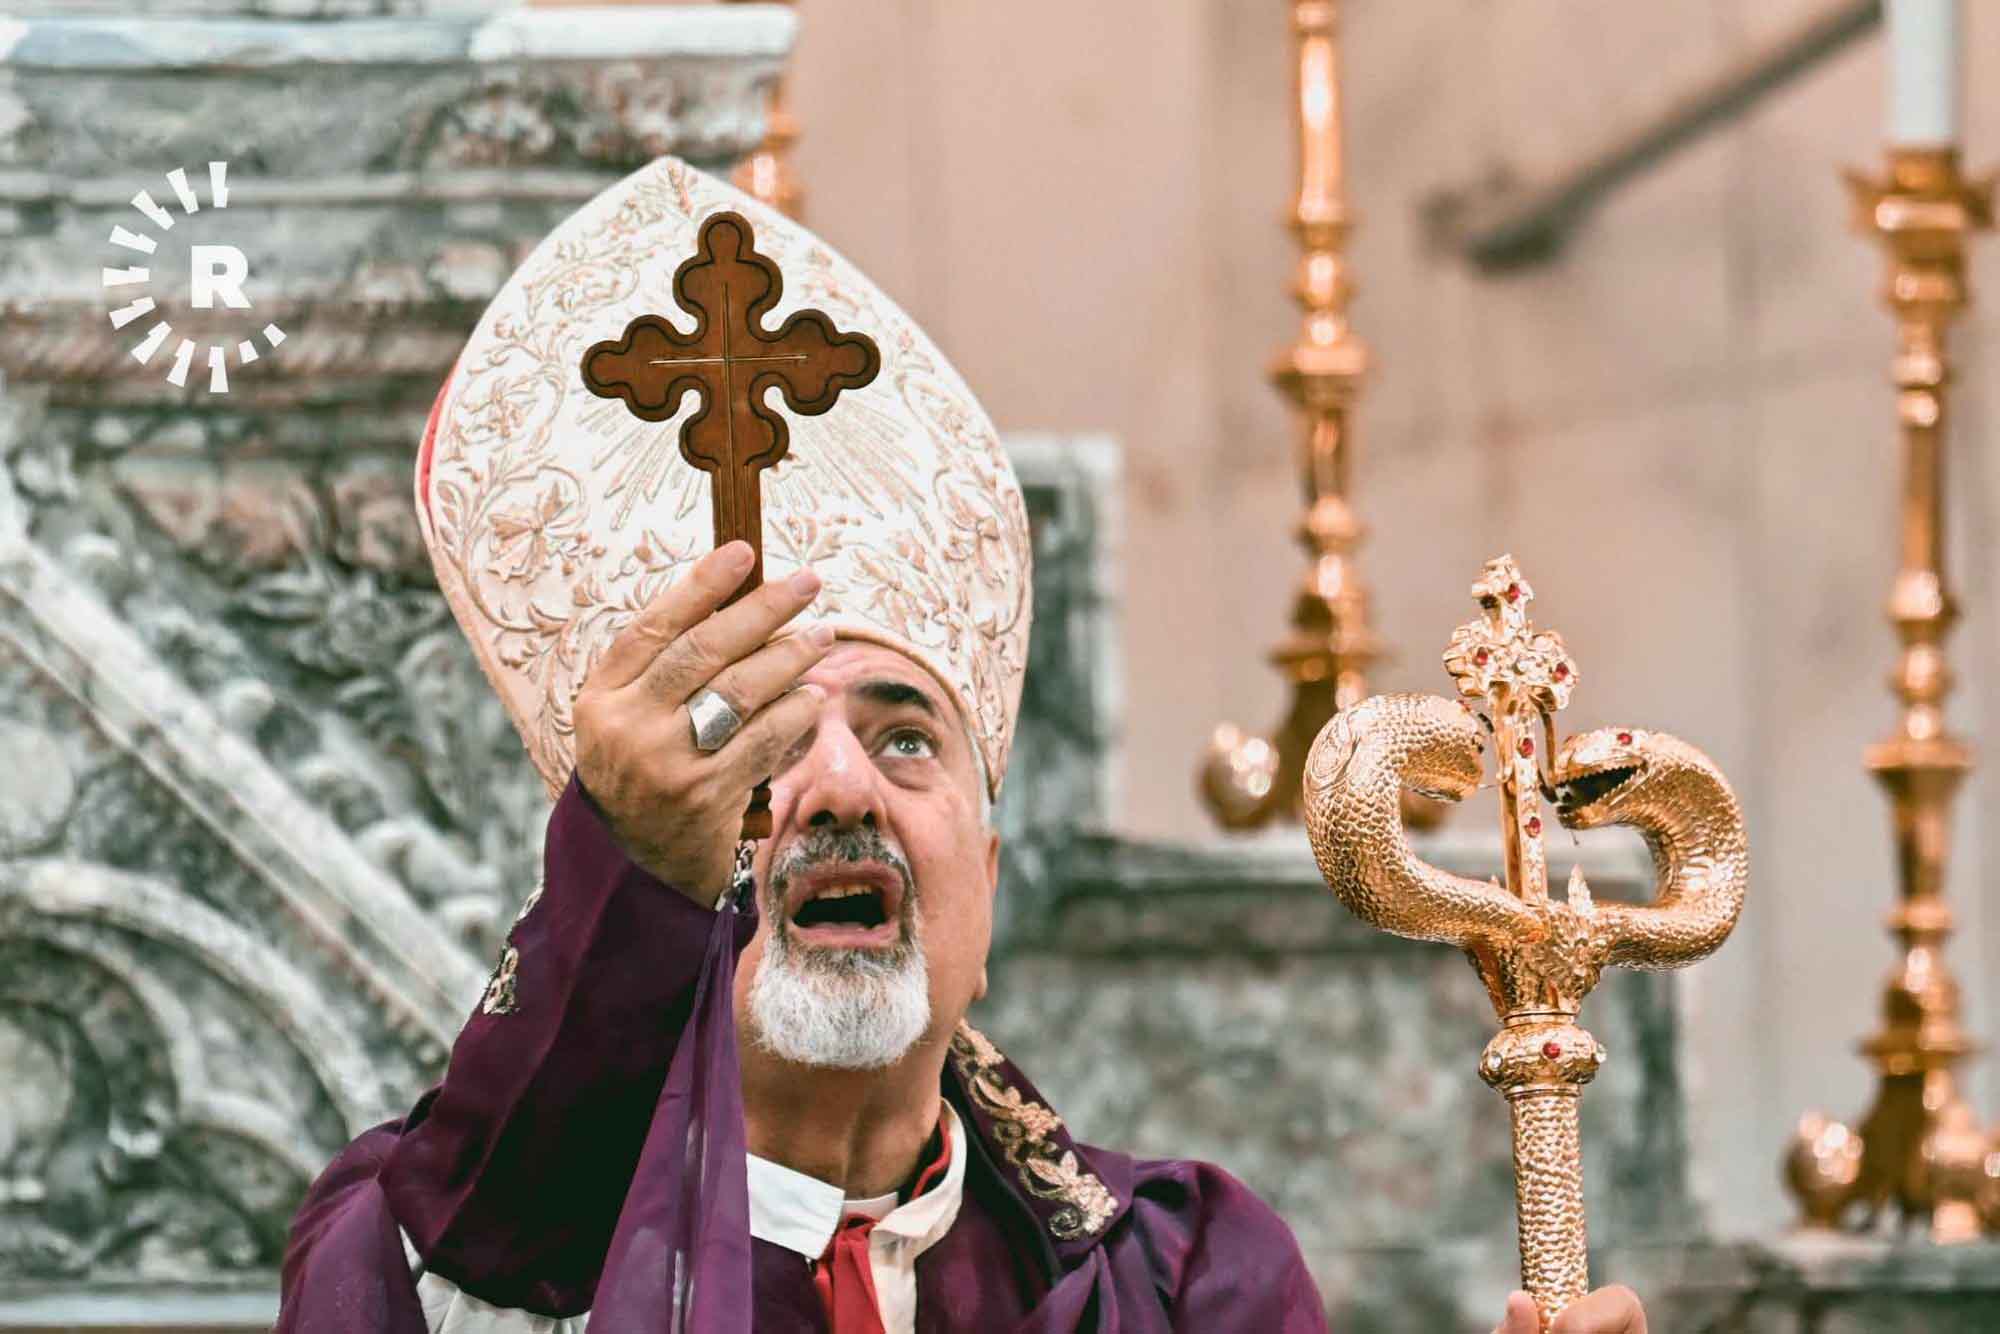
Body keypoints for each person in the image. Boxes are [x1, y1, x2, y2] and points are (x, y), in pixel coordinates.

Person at [273, 156, 1649, 1333]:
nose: (839, 786)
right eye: (763, 741)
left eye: (906, 735)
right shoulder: (471, 1251)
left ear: (984, 889)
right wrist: (621, 865)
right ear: (660, 894)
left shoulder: (1180, 1284)